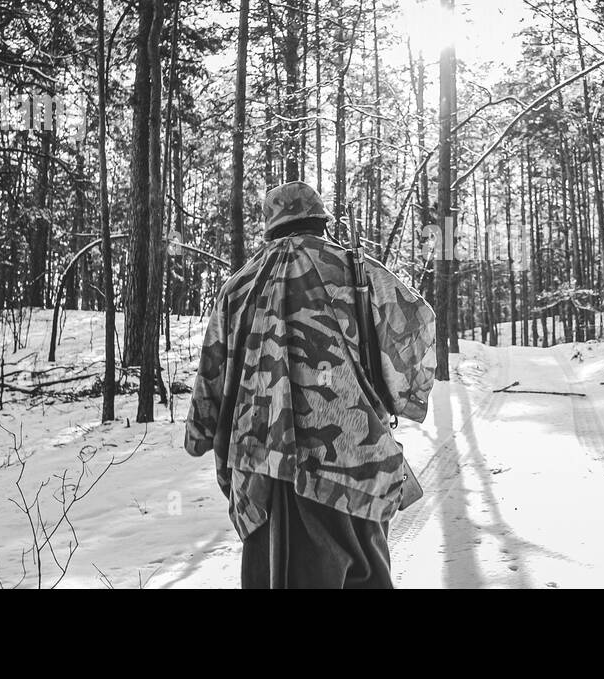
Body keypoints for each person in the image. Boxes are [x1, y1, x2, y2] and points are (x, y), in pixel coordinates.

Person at [184, 181, 436, 588]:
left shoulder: (238, 287)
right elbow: (417, 327)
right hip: (352, 465)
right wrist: (405, 396)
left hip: (261, 471)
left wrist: (200, 432)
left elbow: (211, 374)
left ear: (270, 227)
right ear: (320, 221)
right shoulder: (360, 271)